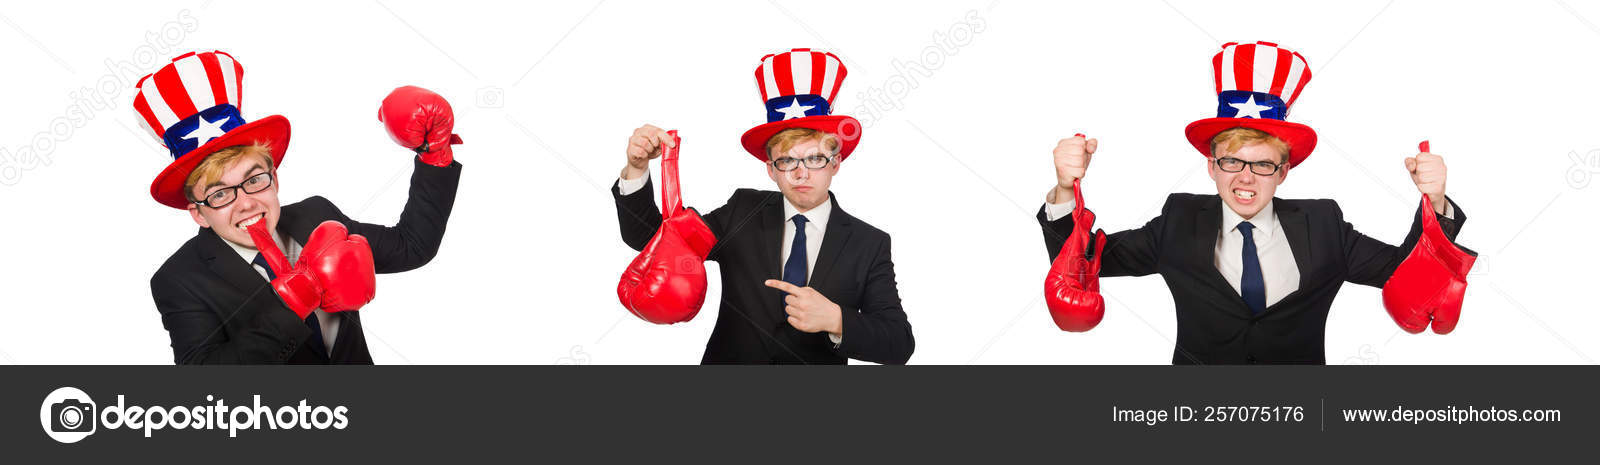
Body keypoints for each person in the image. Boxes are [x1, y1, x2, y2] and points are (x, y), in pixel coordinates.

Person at [1039, 41, 1466, 364]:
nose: (1245, 177)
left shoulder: (1324, 224)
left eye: (1262, 164)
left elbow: (1408, 273)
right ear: (1211, 166)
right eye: (1231, 161)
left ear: (1283, 172)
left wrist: (1435, 200)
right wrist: (1064, 190)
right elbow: (1080, 263)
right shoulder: (1178, 220)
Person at [144, 51, 464, 364]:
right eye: (219, 194)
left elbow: (412, 247)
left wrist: (434, 154)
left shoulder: (316, 216)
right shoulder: (179, 278)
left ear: (275, 179)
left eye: (254, 179)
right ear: (198, 213)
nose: (246, 202)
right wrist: (293, 301)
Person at [613, 49, 914, 364]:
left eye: (814, 158)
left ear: (835, 163)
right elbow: (655, 242)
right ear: (771, 169)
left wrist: (836, 319)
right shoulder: (742, 211)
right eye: (786, 160)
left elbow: (899, 342)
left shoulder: (870, 243)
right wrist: (636, 169)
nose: (800, 172)